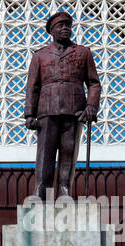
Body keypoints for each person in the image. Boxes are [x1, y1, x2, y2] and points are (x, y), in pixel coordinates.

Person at [24, 10, 100, 199]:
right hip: (47, 110)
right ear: (52, 31)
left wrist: (91, 106)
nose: (65, 28)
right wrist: (29, 114)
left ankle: (64, 190)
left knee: (68, 151)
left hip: (74, 109)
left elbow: (93, 83)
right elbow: (32, 86)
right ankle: (41, 190)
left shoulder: (83, 52)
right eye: (61, 26)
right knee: (45, 153)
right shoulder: (40, 56)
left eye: (68, 25)